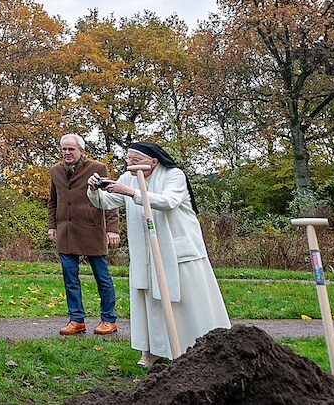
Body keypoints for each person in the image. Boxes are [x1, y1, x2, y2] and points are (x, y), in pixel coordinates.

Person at [88, 140, 230, 367]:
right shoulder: (128, 178)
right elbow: (105, 202)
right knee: (150, 303)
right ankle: (152, 350)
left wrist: (132, 192)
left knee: (186, 302)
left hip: (177, 251)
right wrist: (93, 190)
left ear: (153, 161)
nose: (130, 164)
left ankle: (198, 347)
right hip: (145, 254)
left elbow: (169, 202)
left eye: (136, 160)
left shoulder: (174, 175)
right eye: (128, 159)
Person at [48, 134, 120, 337]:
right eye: (64, 149)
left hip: (92, 229)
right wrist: (52, 226)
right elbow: (53, 201)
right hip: (66, 232)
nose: (67, 153)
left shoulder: (98, 168)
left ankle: (108, 319)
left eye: (71, 149)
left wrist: (112, 229)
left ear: (81, 150)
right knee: (70, 278)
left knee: (102, 277)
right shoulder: (55, 171)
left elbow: (110, 200)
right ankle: (76, 319)